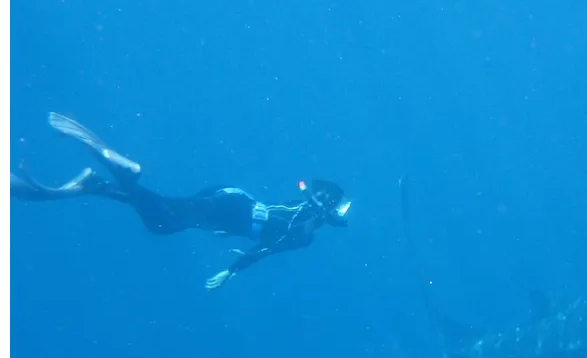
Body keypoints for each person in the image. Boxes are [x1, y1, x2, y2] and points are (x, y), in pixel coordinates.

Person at [12, 112, 351, 290]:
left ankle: (96, 184)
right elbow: (267, 247)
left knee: (163, 217)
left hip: (228, 203)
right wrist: (231, 272)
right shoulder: (305, 229)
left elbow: (268, 230)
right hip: (232, 209)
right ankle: (123, 176)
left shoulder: (303, 209)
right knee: (163, 220)